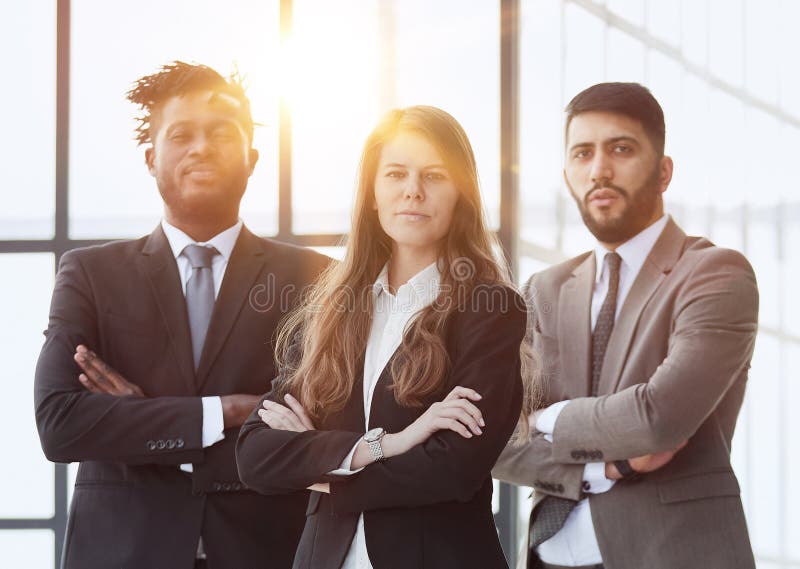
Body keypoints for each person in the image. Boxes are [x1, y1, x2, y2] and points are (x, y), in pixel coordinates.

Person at [34, 61, 330, 569]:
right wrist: (232, 410)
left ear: (252, 157)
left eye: (220, 133)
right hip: (121, 553)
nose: (201, 147)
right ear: (151, 158)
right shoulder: (89, 273)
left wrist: (141, 420)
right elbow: (60, 424)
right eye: (181, 134)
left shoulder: (315, 278)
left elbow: (316, 431)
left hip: (268, 553)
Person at [236, 105, 527, 569]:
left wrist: (322, 469)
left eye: (434, 175)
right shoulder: (329, 310)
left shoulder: (488, 309)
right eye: (395, 174)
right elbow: (255, 455)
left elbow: (454, 467)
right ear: (372, 194)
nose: (413, 190)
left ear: (460, 196)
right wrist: (392, 443)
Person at [493, 82, 758, 569]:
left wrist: (547, 419)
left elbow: (659, 418)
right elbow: (495, 440)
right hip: (546, 556)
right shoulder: (543, 290)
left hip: (671, 554)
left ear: (663, 171)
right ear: (567, 174)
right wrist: (605, 465)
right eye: (582, 153)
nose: (599, 170)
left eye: (621, 148)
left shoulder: (716, 273)